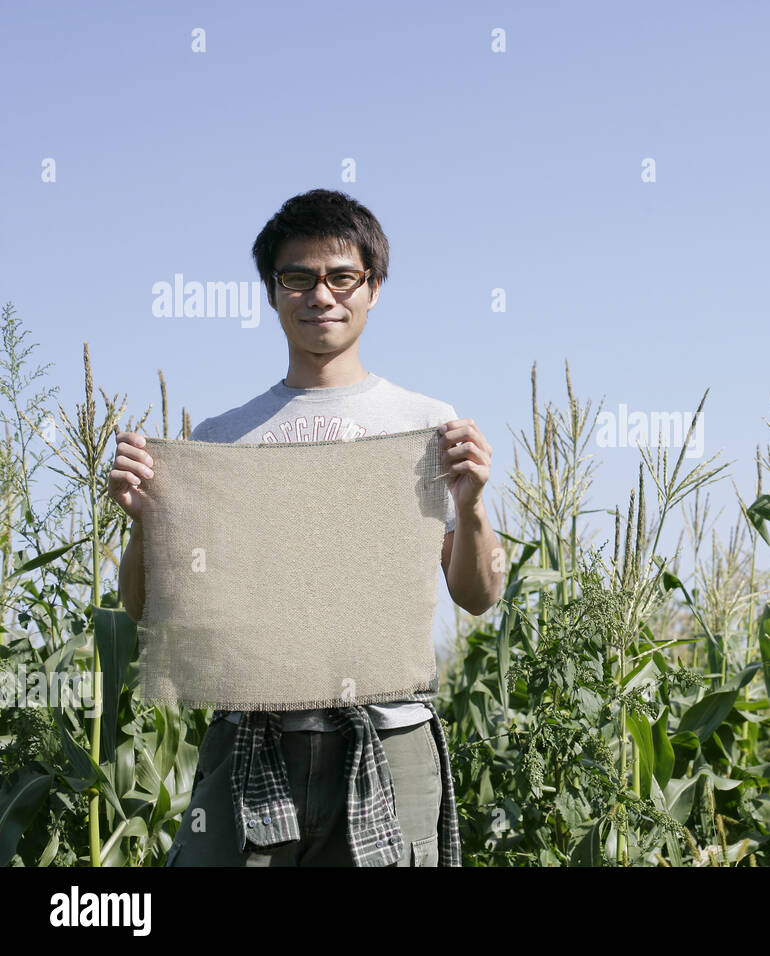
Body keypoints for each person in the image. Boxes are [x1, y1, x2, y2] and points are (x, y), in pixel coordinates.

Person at [109, 188, 503, 866]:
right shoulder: (220, 441)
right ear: (272, 291)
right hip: (250, 739)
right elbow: (146, 609)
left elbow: (478, 595)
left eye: (342, 276)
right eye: (299, 277)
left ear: (373, 288)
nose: (321, 294)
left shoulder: (426, 426)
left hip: (389, 737)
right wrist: (146, 525)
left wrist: (469, 507)